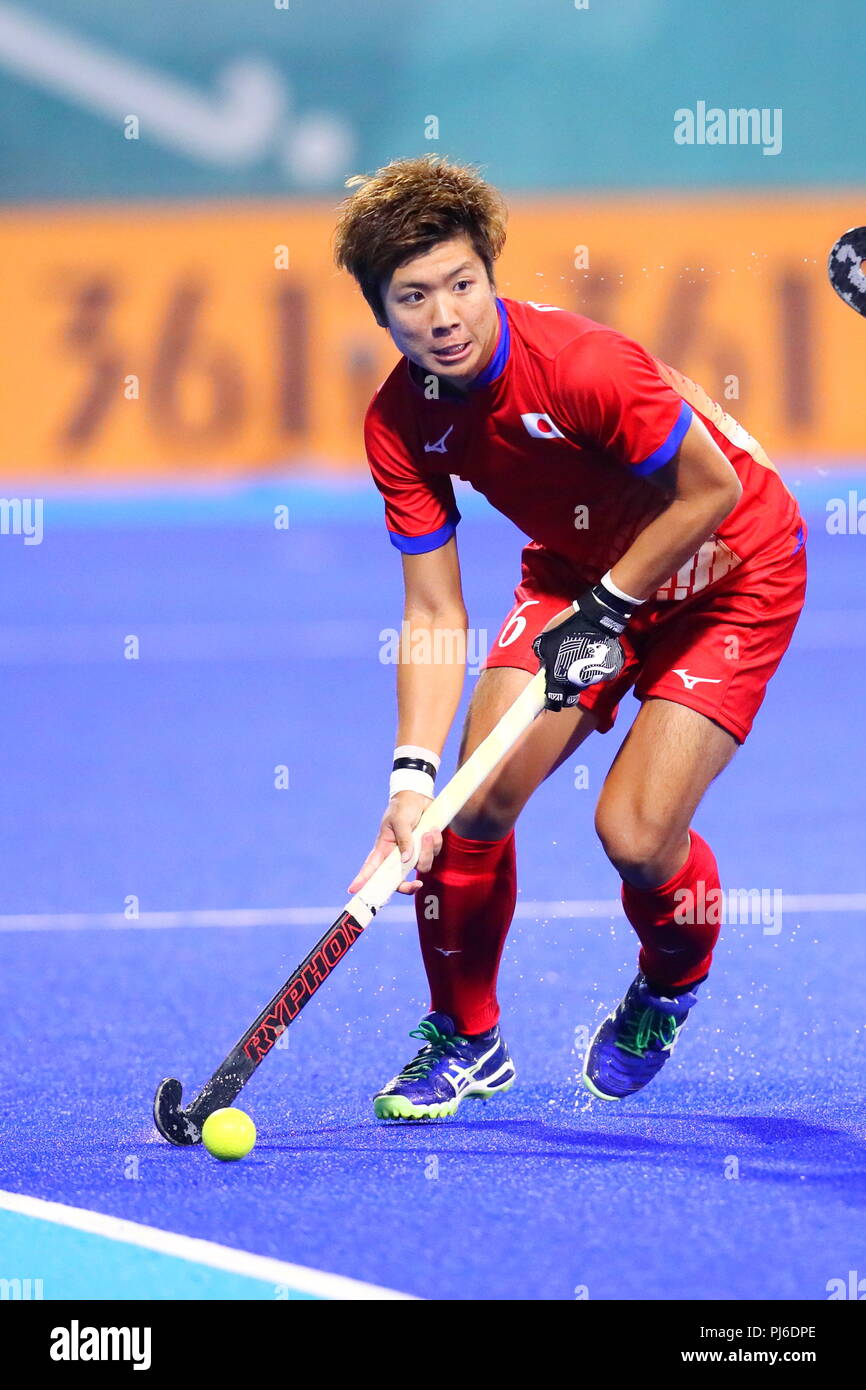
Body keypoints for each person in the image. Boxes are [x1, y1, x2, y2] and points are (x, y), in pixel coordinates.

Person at [332, 154, 806, 1119]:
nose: (445, 316)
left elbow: (711, 491)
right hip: (581, 574)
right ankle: (466, 1036)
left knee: (634, 835)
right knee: (467, 805)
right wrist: (410, 780)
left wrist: (609, 608)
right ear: (381, 314)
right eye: (414, 297)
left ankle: (670, 980)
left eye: (462, 284)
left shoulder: (581, 366)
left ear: (490, 276)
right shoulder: (400, 422)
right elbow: (434, 612)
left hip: (732, 574)